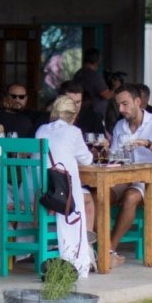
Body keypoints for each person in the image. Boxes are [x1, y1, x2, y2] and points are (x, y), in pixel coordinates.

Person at [105, 83, 152, 259]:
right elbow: (114, 158)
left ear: (138, 101)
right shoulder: (120, 126)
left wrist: (148, 144)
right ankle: (98, 244)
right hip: (126, 179)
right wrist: (106, 150)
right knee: (99, 195)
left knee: (131, 196)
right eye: (118, 105)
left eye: (125, 104)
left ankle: (108, 250)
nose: (121, 109)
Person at [34, 94, 96, 277]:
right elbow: (87, 159)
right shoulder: (74, 132)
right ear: (73, 115)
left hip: (42, 192)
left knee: (82, 196)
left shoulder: (41, 130)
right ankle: (82, 253)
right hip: (61, 195)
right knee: (87, 200)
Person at [72, 47, 111, 122]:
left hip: (79, 113)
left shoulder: (78, 74)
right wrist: (116, 88)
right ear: (97, 61)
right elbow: (107, 95)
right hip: (94, 115)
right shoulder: (94, 76)